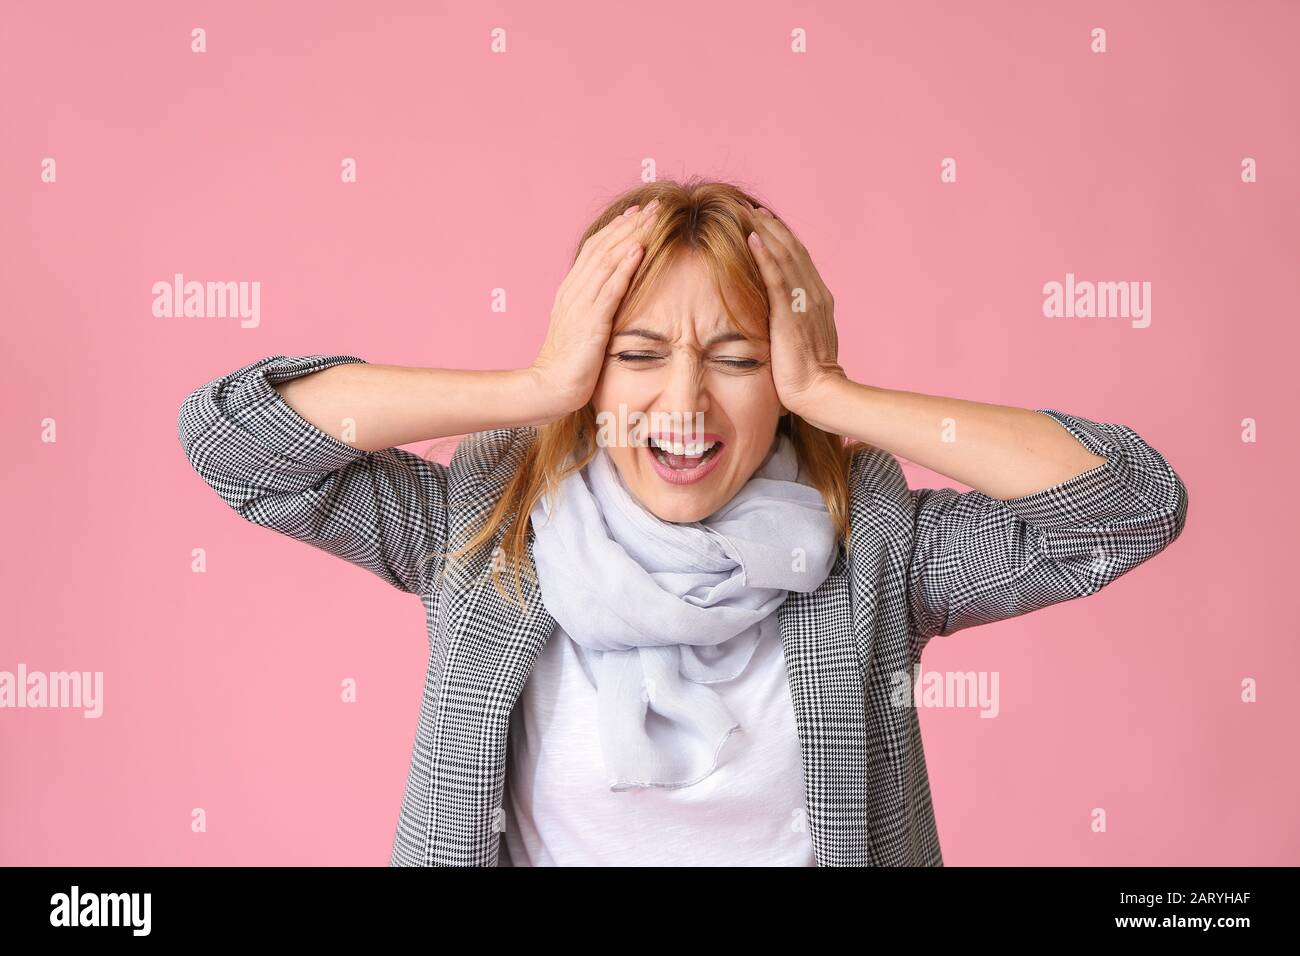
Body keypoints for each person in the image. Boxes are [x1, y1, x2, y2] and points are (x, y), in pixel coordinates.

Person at [175, 177, 1189, 866]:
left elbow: (1128, 504)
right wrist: (531, 384)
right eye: (638, 352)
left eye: (739, 360)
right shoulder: (484, 529)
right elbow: (232, 441)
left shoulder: (873, 546)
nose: (686, 403)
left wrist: (839, 396)